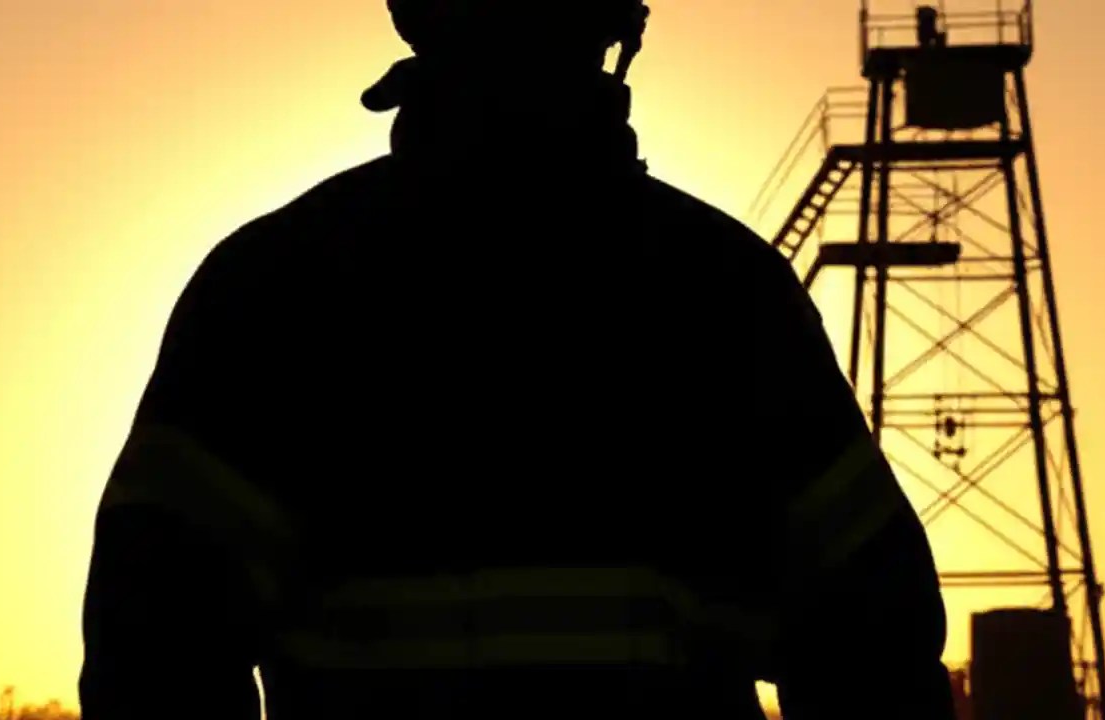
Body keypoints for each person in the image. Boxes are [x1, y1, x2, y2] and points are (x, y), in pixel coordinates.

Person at [79, 2, 956, 718]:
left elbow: (151, 651)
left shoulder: (274, 287)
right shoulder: (724, 292)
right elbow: (875, 655)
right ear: (619, 21)